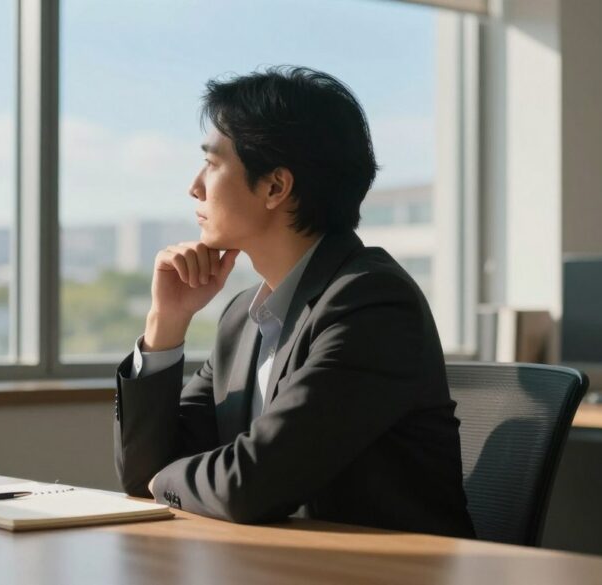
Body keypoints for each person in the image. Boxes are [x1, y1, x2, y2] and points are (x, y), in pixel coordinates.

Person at [112, 66, 475, 538]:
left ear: (275, 187)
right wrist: (167, 323)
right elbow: (142, 472)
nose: (195, 186)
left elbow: (250, 484)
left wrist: (163, 478)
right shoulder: (243, 317)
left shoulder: (373, 304)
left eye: (213, 163)